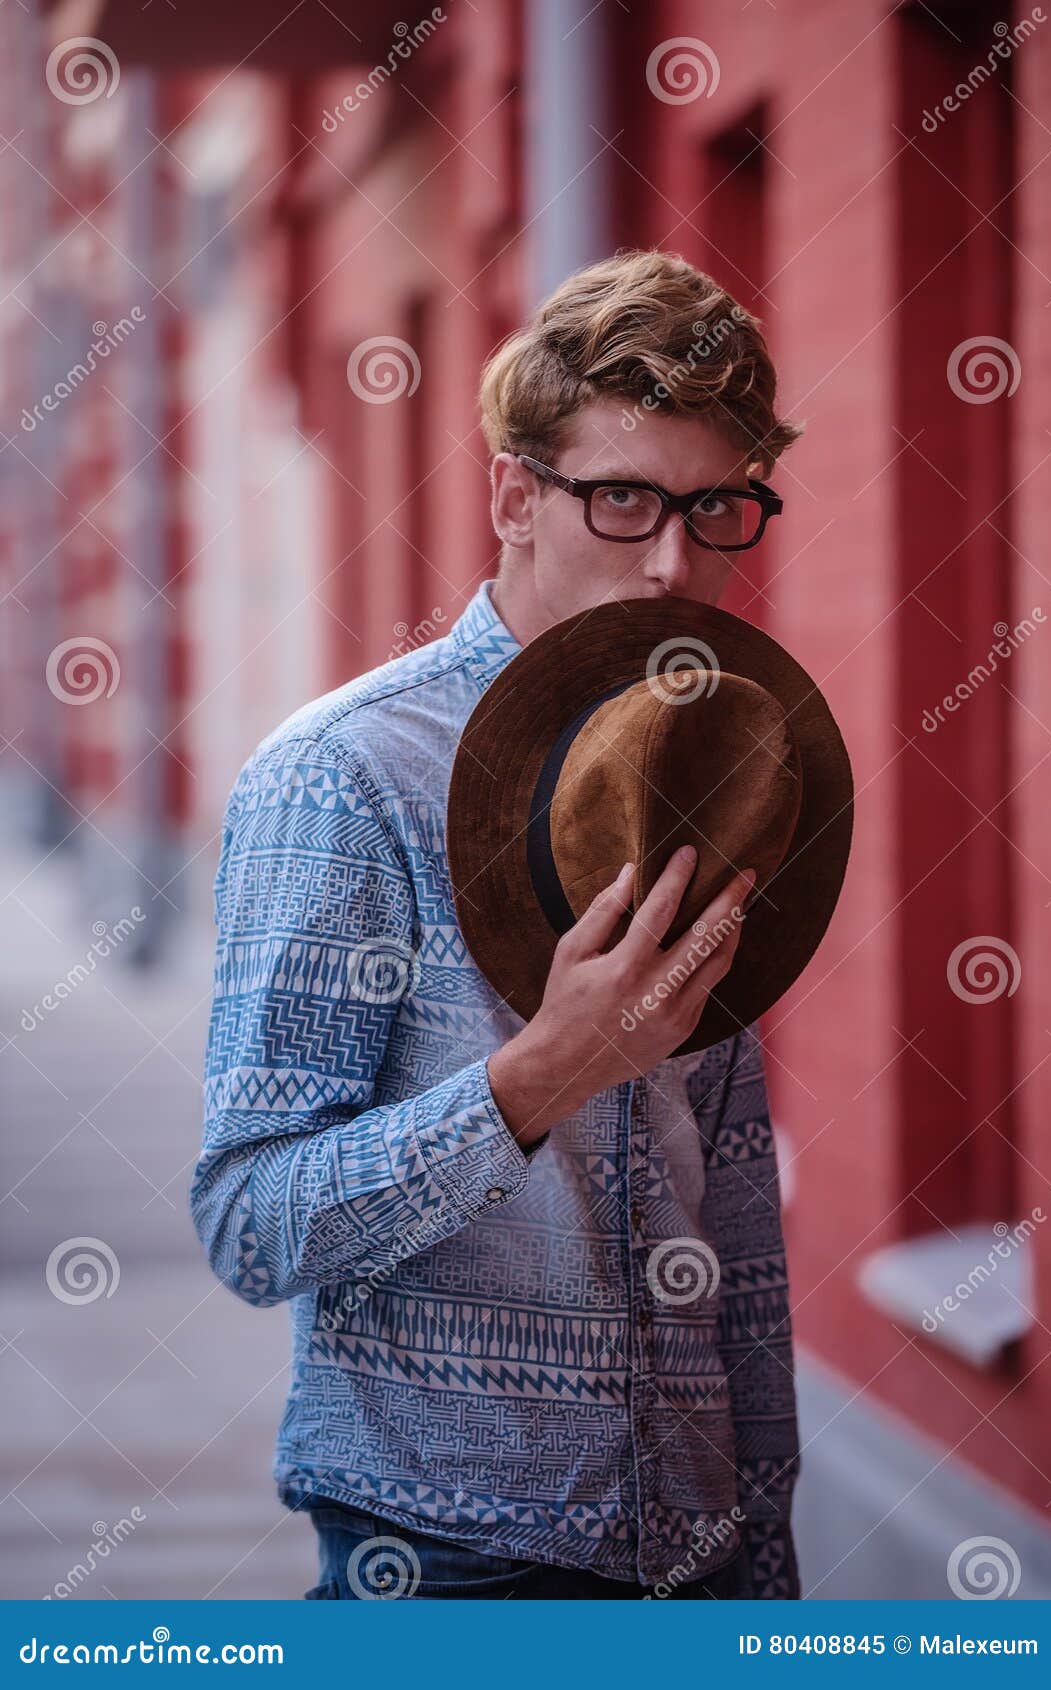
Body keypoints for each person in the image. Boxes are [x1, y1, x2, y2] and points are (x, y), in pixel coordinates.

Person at [192, 249, 804, 1599]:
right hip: (449, 1553)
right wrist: (539, 1074)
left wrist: (765, 1552)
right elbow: (250, 1221)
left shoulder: (721, 759)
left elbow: (736, 1208)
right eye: (626, 497)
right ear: (513, 496)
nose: (673, 560)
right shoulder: (344, 774)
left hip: (696, 1551)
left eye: (716, 508)